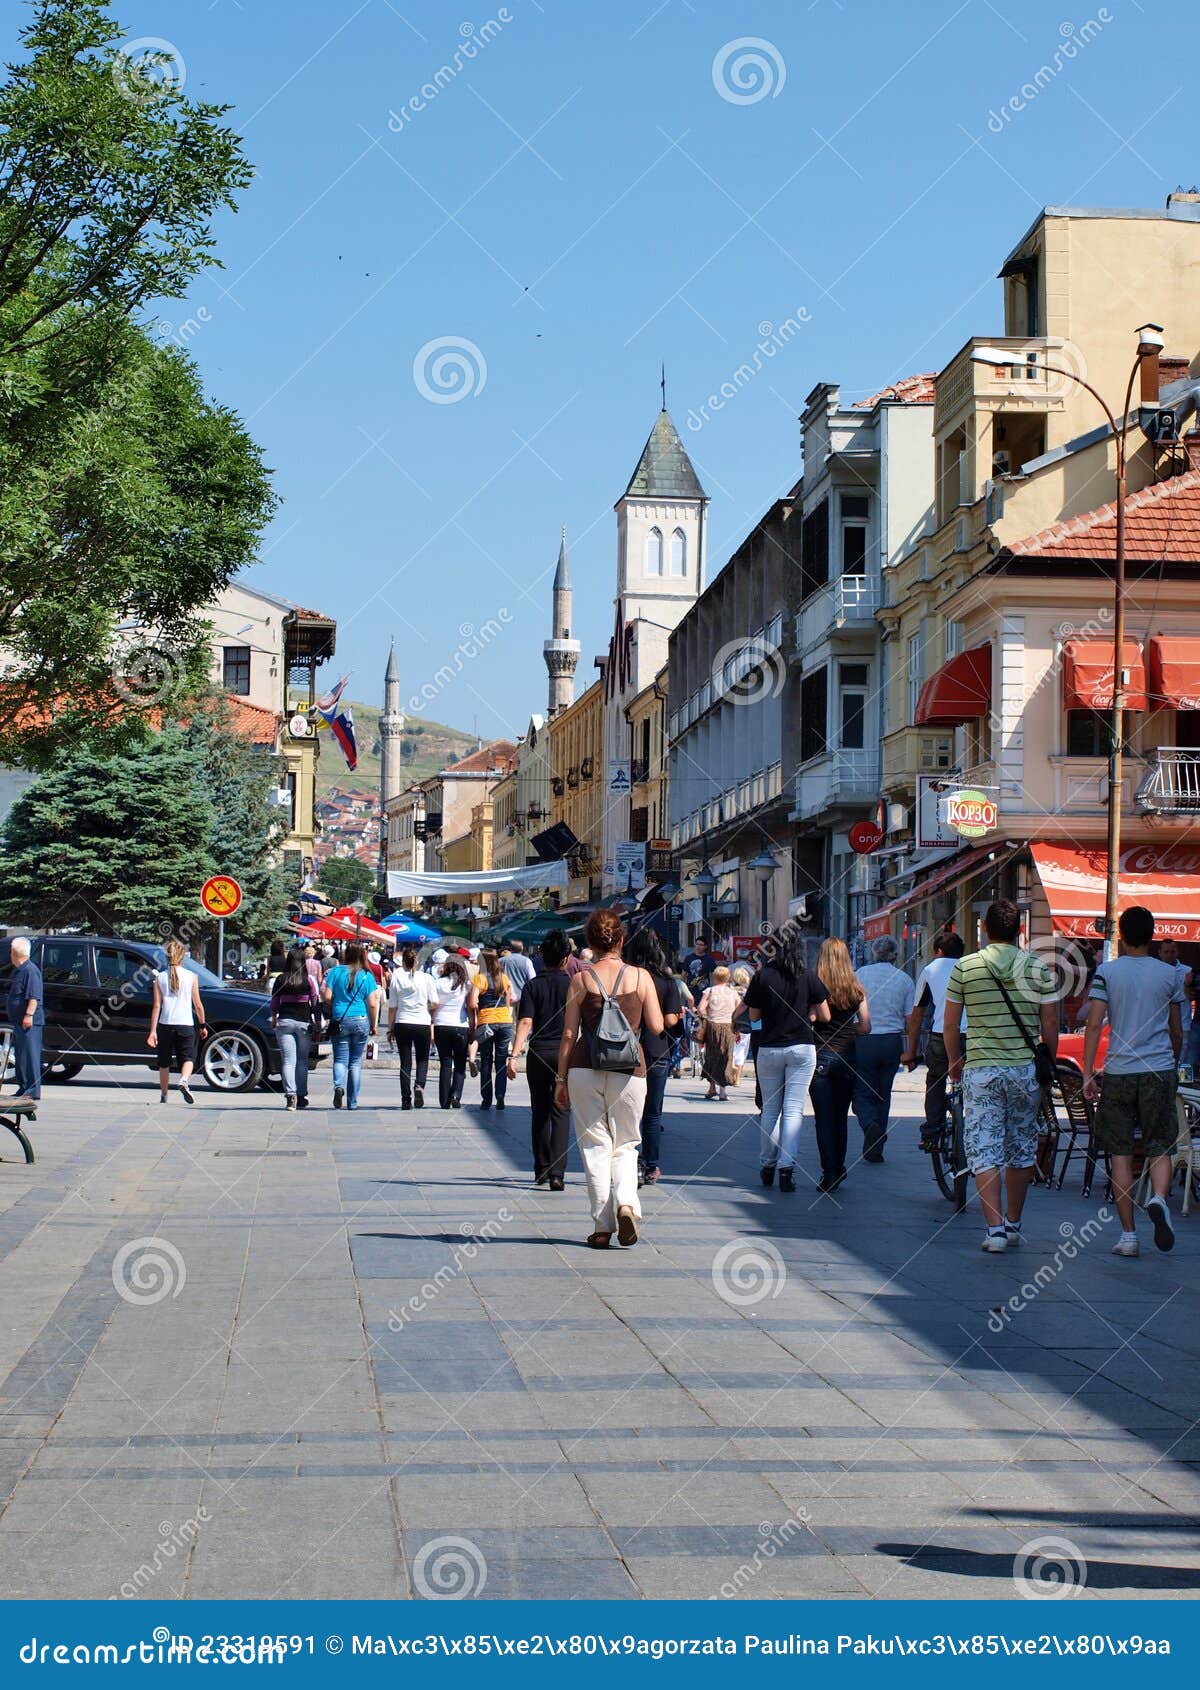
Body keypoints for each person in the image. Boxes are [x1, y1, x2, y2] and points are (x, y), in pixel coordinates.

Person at [943, 899, 1058, 1253]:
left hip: (982, 1069)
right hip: (1025, 1070)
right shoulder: (1037, 968)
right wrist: (1048, 1061)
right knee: (1022, 1147)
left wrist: (954, 1061)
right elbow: (1050, 1022)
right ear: (1019, 930)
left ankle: (994, 1231)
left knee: (984, 1148)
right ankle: (1013, 1223)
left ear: (984, 929)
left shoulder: (966, 967)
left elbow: (950, 1025)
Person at [554, 910, 664, 1248]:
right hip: (630, 1069)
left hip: (584, 1067)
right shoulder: (641, 977)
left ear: (590, 941)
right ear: (621, 939)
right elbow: (657, 1026)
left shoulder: (580, 980)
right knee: (627, 1143)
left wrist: (560, 1079)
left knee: (595, 1145)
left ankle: (602, 1227)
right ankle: (626, 1203)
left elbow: (569, 1034)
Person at [1083, 905, 1183, 1257]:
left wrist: (1087, 1072)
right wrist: (1171, 1062)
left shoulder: (1107, 973)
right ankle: (1158, 1199)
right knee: (1160, 1145)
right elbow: (1176, 1029)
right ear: (1152, 936)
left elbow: (1093, 1024)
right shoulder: (1169, 975)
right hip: (1158, 1070)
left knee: (1121, 1153)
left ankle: (1128, 1236)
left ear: (1122, 936)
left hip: (1119, 1072)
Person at [743, 924, 830, 1192]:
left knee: (770, 1109)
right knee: (793, 1110)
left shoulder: (763, 976)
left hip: (769, 1047)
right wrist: (808, 1015)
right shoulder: (808, 976)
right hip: (802, 1047)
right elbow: (825, 1015)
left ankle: (767, 1165)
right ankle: (786, 1168)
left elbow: (754, 1016)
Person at [509, 930, 572, 1188]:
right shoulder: (573, 985)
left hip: (538, 1053)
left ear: (542, 956)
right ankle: (557, 1173)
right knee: (561, 1110)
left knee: (540, 1111)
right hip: (564, 1053)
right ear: (566, 958)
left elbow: (525, 1022)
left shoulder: (532, 986)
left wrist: (514, 1055)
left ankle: (541, 1168)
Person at [810, 938, 871, 1193]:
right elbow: (866, 1026)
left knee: (823, 1119)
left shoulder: (815, 985)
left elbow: (811, 1018)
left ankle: (829, 1172)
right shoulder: (856, 988)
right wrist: (847, 1029)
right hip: (848, 1058)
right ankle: (840, 1166)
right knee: (840, 1118)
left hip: (821, 1056)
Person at [623, 927, 682, 1185]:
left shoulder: (626, 979)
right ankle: (650, 1165)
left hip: (625, 1053)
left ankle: (631, 1162)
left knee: (628, 1112)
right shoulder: (667, 982)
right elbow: (669, 1021)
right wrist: (679, 1017)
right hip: (657, 1052)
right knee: (652, 1113)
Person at [852, 935, 914, 1163]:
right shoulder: (905, 980)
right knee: (883, 1093)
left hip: (865, 1039)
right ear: (895, 955)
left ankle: (869, 1123)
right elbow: (910, 1018)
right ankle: (875, 1149)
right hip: (891, 1042)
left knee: (861, 1091)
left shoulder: (860, 975)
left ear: (874, 953)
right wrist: (911, 1050)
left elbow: (850, 1009)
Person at [903, 930, 966, 1151]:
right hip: (972, 1036)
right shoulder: (970, 967)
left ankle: (931, 1134)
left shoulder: (930, 970)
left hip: (941, 1035)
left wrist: (911, 1052)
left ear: (939, 951)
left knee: (935, 1080)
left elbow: (917, 1016)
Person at [322, 942, 380, 1110]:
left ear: (345, 954)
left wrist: (337, 1003)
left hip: (340, 1018)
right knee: (355, 1061)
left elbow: (326, 996)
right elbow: (372, 1004)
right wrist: (374, 1025)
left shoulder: (335, 971)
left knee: (340, 1059)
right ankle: (352, 1101)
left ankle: (338, 1087)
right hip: (361, 1019)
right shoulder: (366, 975)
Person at [148, 939, 206, 1106]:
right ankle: (184, 1080)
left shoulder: (159, 978)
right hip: (185, 1024)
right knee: (188, 1057)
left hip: (165, 1024)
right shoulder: (191, 977)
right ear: (182, 957)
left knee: (164, 1062)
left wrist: (152, 1031)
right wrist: (202, 1025)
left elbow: (157, 1006)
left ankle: (164, 1095)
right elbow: (198, 1004)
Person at [387, 945, 439, 1109]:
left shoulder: (397, 977)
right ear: (417, 962)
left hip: (402, 1022)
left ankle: (405, 1099)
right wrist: (426, 1008)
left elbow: (392, 1006)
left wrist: (389, 1028)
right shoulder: (427, 978)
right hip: (422, 1022)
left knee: (405, 1063)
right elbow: (435, 1002)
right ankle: (419, 1085)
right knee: (422, 1059)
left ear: (403, 962)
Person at [270, 947, 319, 1110]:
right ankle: (302, 1096)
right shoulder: (309, 980)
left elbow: (274, 1002)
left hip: (284, 1022)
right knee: (302, 1061)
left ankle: (290, 1096)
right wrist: (318, 1022)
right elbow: (315, 1003)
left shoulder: (281, 979)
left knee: (288, 1061)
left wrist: (274, 1017)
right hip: (304, 1023)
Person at [469, 949, 516, 1109]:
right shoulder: (504, 978)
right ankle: (500, 1095)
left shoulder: (480, 978)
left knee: (486, 1061)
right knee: (501, 1061)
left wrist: (477, 1011)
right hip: (504, 1022)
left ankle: (486, 1100)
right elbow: (508, 1002)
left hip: (487, 1023)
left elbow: (472, 1002)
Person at [432, 953, 473, 1110]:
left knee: (445, 1063)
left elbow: (433, 1004)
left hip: (441, 1024)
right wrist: (473, 1026)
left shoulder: (438, 983)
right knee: (460, 1063)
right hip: (460, 1025)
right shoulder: (466, 984)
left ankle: (444, 1100)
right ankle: (456, 1094)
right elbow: (470, 1006)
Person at [7, 936, 44, 1103]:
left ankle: (32, 1090)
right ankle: (23, 1088)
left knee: (29, 1057)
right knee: (21, 1056)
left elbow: (34, 996)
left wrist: (28, 1015)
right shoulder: (21, 970)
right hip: (19, 1022)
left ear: (15, 953)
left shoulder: (30, 970)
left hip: (29, 1022)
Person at [697, 965, 739, 1101]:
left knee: (711, 1055)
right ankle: (723, 1091)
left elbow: (700, 1008)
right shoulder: (733, 993)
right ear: (728, 978)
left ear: (714, 977)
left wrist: (706, 1017)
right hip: (729, 1027)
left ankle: (711, 1088)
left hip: (712, 1026)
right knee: (726, 1056)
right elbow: (738, 1011)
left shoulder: (709, 991)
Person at [1157, 938, 1193, 1069]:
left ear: (1177, 952)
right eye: (1166, 952)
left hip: (1183, 1024)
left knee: (1181, 1063)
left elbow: (1192, 997)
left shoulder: (1188, 971)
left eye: (1172, 951)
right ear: (1160, 953)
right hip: (1159, 1026)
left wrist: (1187, 985)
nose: (1169, 955)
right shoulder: (1154, 972)